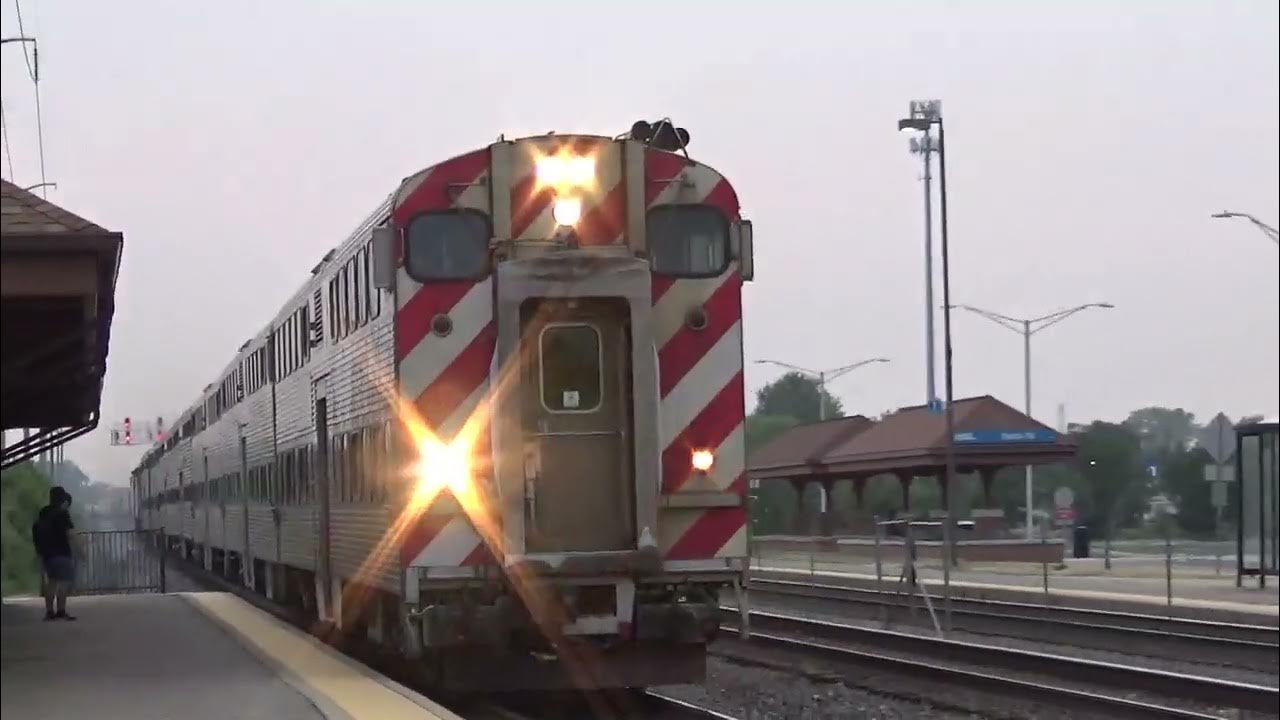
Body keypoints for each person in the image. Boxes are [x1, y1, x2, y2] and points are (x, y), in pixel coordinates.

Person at [33, 486, 77, 621]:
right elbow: (70, 534)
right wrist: (80, 549)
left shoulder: (44, 512)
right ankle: (61, 610)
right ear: (62, 498)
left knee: (51, 582)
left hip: (47, 554)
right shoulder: (62, 514)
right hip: (62, 552)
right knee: (64, 582)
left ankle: (49, 612)